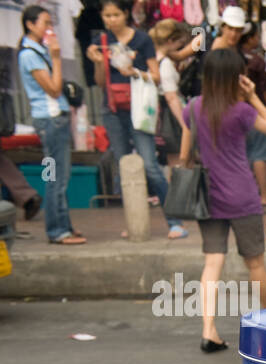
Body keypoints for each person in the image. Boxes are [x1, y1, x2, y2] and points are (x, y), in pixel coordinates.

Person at [181, 48, 266, 352]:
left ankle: (209, 330)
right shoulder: (241, 110)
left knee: (212, 262)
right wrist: (252, 97)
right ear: (237, 77)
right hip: (242, 195)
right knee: (255, 263)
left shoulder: (193, 107)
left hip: (209, 196)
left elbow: (185, 156)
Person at [85, 0, 187, 239]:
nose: (111, 20)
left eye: (115, 15)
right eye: (107, 15)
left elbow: (156, 76)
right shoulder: (100, 42)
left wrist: (134, 72)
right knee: (125, 167)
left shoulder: (142, 40)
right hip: (112, 109)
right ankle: (135, 221)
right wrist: (99, 62)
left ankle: (174, 221)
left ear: (125, 14)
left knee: (151, 166)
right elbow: (101, 82)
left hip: (140, 109)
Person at [19, 5, 83, 244]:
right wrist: (56, 58)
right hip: (50, 121)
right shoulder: (29, 55)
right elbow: (54, 90)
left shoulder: (38, 51)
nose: (50, 29)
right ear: (30, 24)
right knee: (54, 176)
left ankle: (63, 224)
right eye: (45, 23)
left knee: (58, 176)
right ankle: (57, 231)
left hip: (54, 121)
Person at [239, 29, 266, 206]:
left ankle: (249, 193)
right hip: (258, 111)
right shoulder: (257, 61)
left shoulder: (235, 57)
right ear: (250, 38)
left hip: (237, 112)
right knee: (260, 154)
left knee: (247, 154)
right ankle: (264, 195)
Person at [149, 18, 189, 167]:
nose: (180, 48)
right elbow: (171, 97)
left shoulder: (153, 60)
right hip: (171, 117)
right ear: (171, 41)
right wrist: (184, 123)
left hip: (159, 117)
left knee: (171, 160)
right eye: (180, 43)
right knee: (178, 162)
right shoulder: (165, 64)